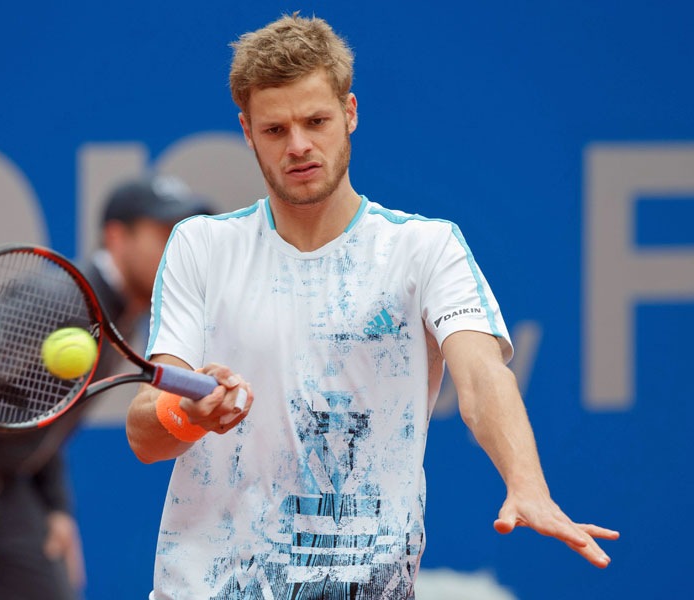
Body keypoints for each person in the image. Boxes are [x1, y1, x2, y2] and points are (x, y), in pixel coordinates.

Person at [126, 14, 620, 600]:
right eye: (275, 130)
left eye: (316, 121)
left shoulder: (424, 248)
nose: (299, 146)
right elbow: (144, 433)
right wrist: (191, 415)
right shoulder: (199, 247)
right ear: (247, 132)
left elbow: (483, 377)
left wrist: (527, 484)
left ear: (351, 112)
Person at [0, 174, 210, 599]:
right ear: (116, 237)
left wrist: (56, 506)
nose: (179, 254)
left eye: (184, 239)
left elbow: (44, 411)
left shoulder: (127, 313)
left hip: (7, 485)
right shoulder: (61, 299)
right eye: (164, 237)